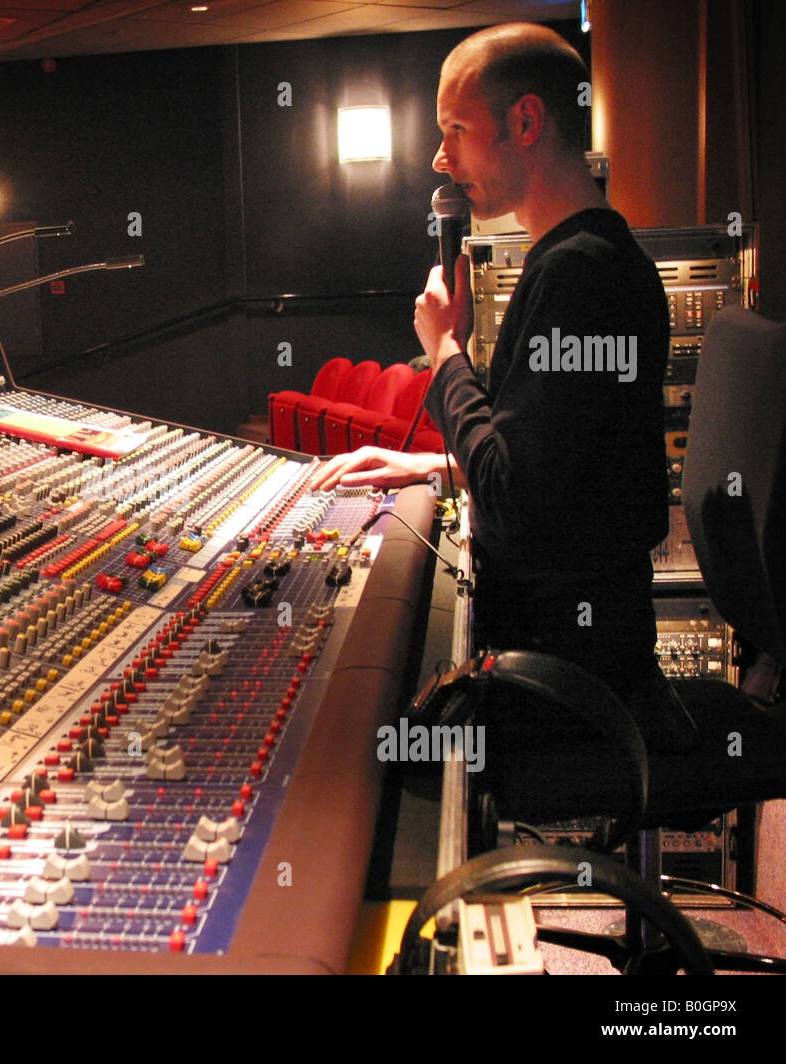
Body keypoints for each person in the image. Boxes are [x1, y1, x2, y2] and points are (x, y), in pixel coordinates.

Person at [314, 23, 697, 750]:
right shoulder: (583, 258)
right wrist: (436, 465)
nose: (439, 157)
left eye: (454, 129)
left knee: (357, 744)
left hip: (566, 685)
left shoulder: (579, 274)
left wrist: (445, 351)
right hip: (572, 651)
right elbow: (554, 472)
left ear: (525, 122)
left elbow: (519, 504)